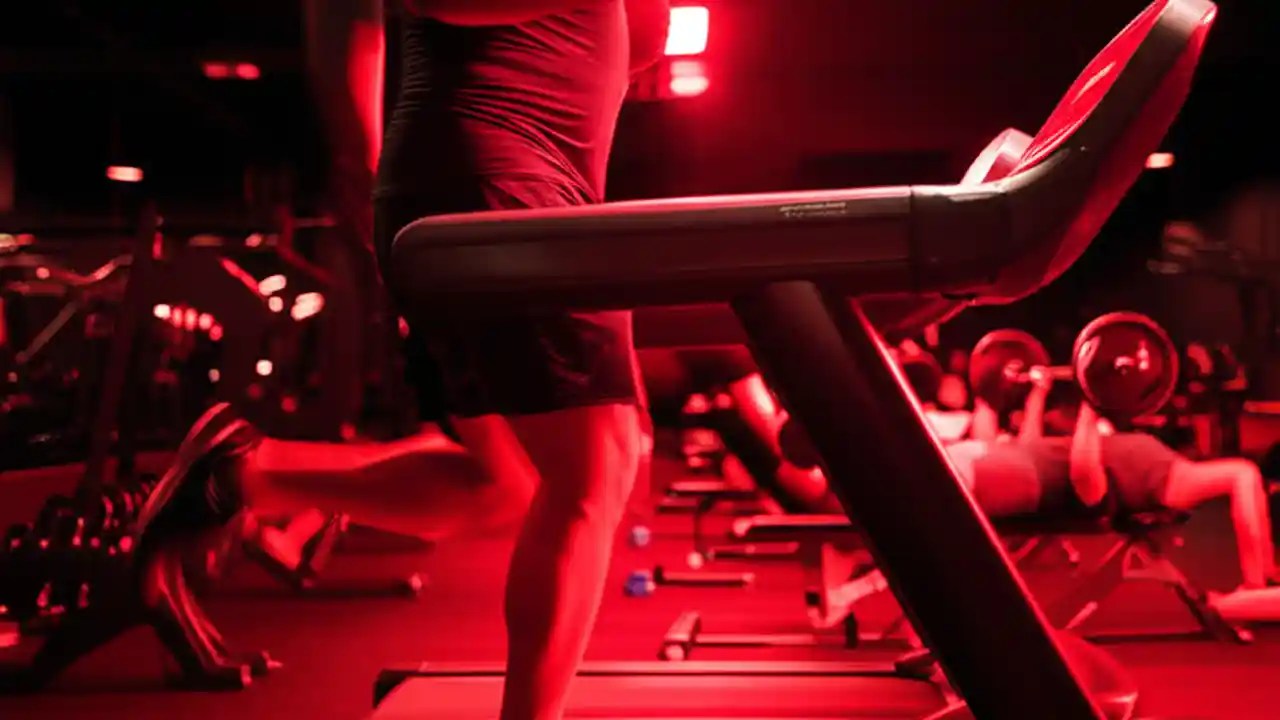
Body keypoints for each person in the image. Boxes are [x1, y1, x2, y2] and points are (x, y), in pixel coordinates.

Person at [141, 2, 673, 719]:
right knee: (595, 470)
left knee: (505, 484)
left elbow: (644, 42)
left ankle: (245, 473)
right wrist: (356, 155)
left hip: (517, 183)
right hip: (497, 181)